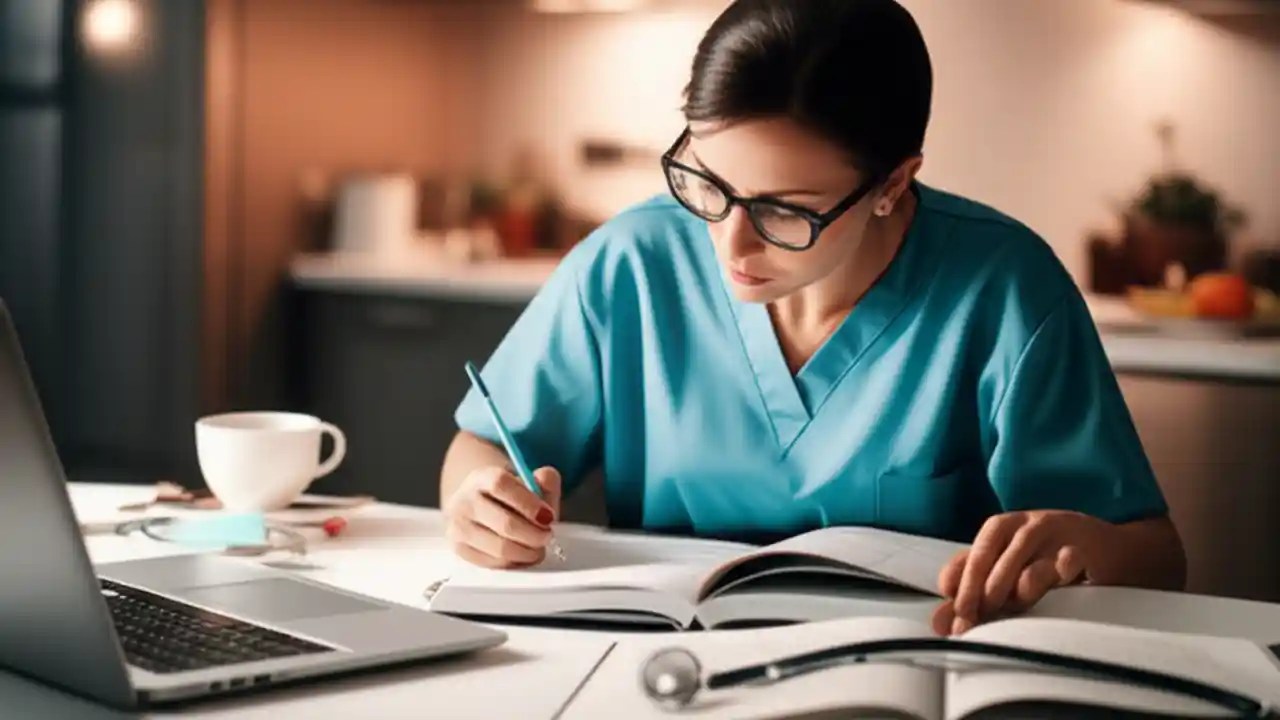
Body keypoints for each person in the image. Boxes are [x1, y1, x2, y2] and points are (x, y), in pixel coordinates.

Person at [439, 0, 1186, 635]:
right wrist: (481, 501)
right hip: (666, 671)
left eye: (783, 211)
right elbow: (481, 448)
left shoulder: (1005, 288)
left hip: (913, 671)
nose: (729, 241)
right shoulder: (632, 261)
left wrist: (1087, 548)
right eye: (706, 182)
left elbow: (1157, 557)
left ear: (893, 183)